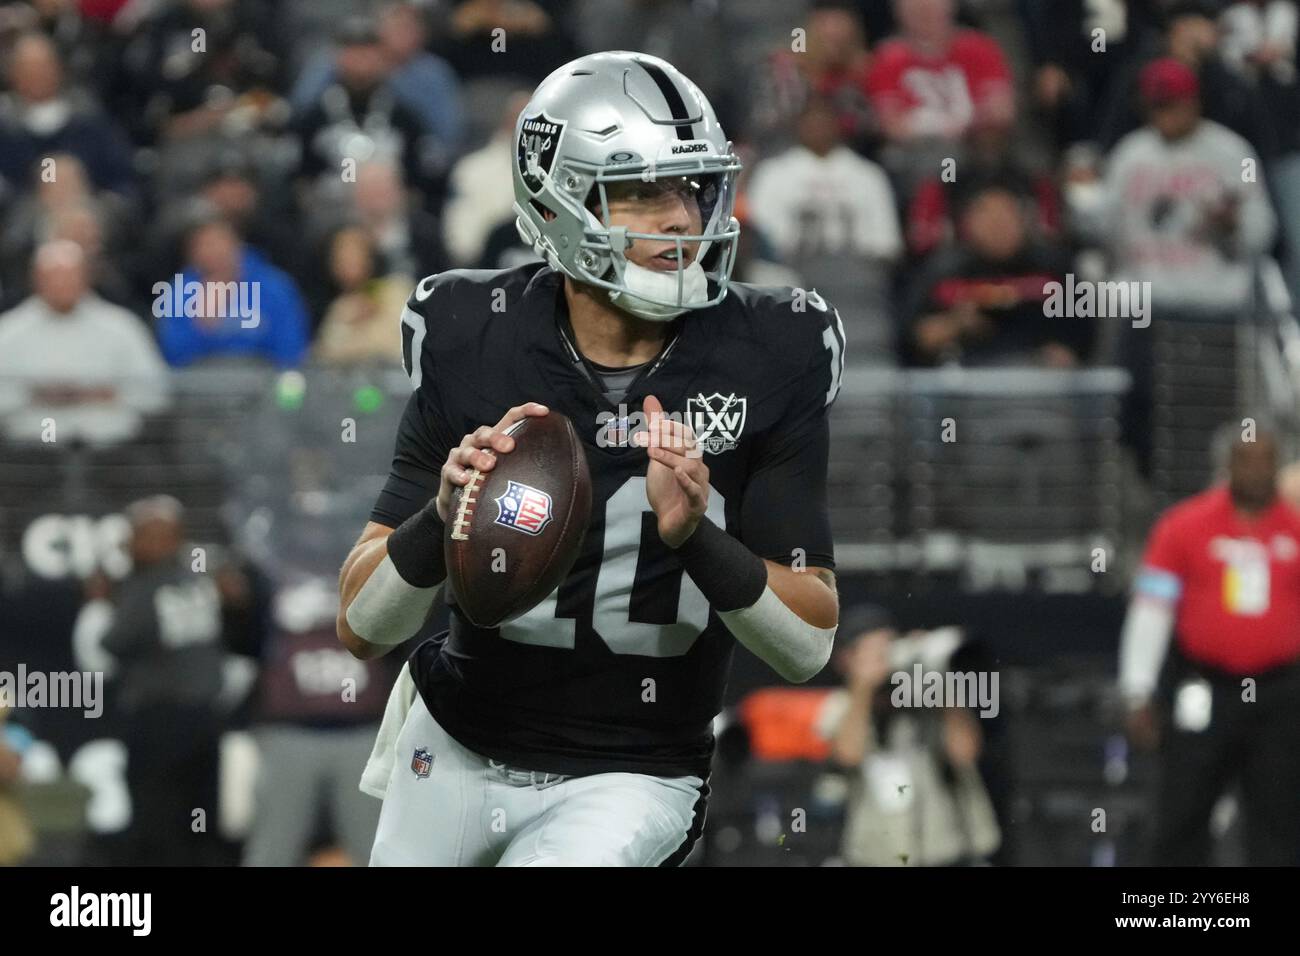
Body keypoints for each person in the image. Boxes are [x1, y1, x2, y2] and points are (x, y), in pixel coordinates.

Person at [337, 52, 845, 866]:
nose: (682, 219)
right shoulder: (476, 332)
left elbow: (810, 642)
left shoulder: (771, 349)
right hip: (456, 746)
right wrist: (442, 518)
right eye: (644, 191)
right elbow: (362, 626)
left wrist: (698, 539)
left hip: (632, 772)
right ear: (556, 196)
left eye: (694, 187)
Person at [1118, 422, 1300, 865]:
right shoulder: (1185, 526)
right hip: (1204, 688)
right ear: (1226, 466)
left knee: (1279, 819)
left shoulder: (1295, 526)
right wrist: (1137, 688)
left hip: (1280, 695)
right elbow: (1151, 611)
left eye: (1265, 461)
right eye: (1246, 460)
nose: (1256, 472)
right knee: (1182, 812)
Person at [97, 496, 229, 866]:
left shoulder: (147, 585)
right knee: (200, 821)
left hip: (159, 721)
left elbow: (113, 641)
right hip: (205, 719)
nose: (131, 545)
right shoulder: (198, 580)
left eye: (139, 536)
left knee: (156, 824)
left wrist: (104, 601)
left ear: (166, 539)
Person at [819, 605, 1001, 867]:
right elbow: (849, 754)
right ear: (846, 659)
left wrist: (938, 678)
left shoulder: (927, 699)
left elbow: (965, 753)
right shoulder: (842, 705)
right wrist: (863, 685)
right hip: (877, 859)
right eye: (876, 652)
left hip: (949, 855)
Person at [0, 239, 168, 445]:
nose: (62, 284)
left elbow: (154, 393)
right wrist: (37, 396)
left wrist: (104, 395)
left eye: (70, 276)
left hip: (111, 454)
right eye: (54, 277)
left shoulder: (122, 327)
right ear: (36, 279)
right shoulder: (9, 331)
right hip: (31, 453)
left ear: (86, 278)